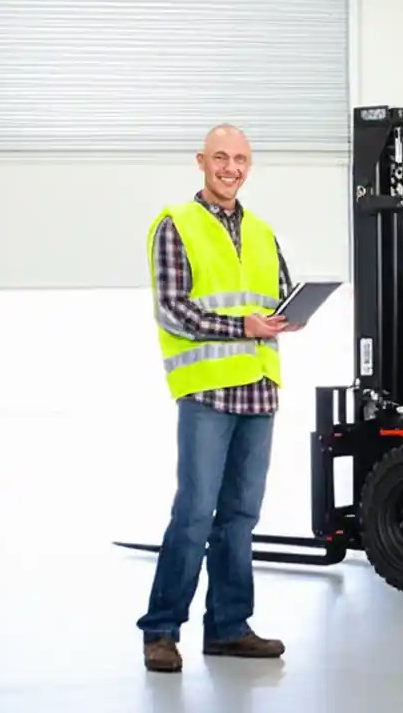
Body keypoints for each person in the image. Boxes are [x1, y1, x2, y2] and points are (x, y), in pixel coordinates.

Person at [137, 123, 299, 673]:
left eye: (242, 160)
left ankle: (229, 626)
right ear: (201, 162)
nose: (232, 168)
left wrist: (289, 314)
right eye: (222, 158)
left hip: (258, 391)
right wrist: (244, 327)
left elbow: (275, 297)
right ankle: (160, 630)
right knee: (194, 513)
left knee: (240, 517)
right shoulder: (175, 225)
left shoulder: (262, 230)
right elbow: (173, 311)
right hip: (207, 391)